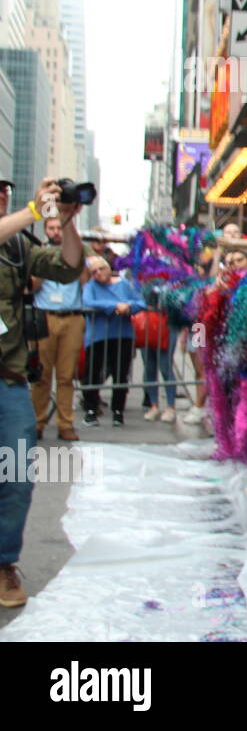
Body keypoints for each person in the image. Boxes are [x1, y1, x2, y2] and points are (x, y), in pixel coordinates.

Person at [0, 176, 84, 608]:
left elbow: (69, 265)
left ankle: (3, 563)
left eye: (4, 190)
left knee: (15, 475)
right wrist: (35, 211)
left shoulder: (19, 246)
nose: (0, 196)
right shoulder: (17, 227)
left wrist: (66, 220)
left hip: (10, 378)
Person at [30, 216, 86, 441]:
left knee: (66, 376)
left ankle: (66, 423)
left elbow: (86, 279)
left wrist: (78, 255)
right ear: (45, 230)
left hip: (71, 317)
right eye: (51, 228)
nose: (55, 232)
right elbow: (31, 286)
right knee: (41, 374)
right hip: (44, 317)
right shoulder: (38, 253)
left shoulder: (76, 252)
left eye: (58, 227)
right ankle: (37, 422)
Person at [81, 256, 145, 427]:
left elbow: (141, 302)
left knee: (120, 374)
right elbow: (88, 302)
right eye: (93, 272)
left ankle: (118, 412)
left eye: (101, 269)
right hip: (98, 336)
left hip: (122, 335)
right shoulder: (90, 286)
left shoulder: (124, 284)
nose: (98, 273)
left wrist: (128, 306)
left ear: (108, 267)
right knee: (93, 374)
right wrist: (116, 306)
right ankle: (91, 410)